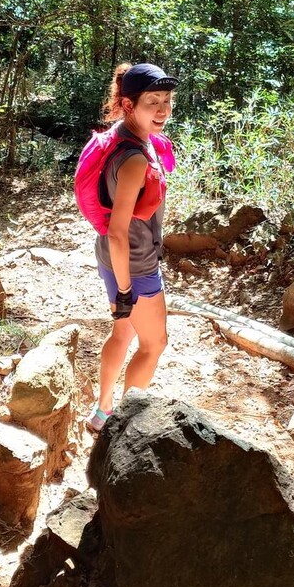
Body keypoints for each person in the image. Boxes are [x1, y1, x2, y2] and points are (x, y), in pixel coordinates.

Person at [86, 61, 177, 433]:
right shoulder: (135, 157)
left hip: (111, 257)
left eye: (167, 100)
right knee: (154, 344)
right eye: (152, 102)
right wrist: (126, 290)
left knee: (123, 332)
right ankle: (125, 426)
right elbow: (120, 232)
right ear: (128, 105)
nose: (162, 110)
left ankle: (103, 410)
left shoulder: (123, 137)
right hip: (133, 263)